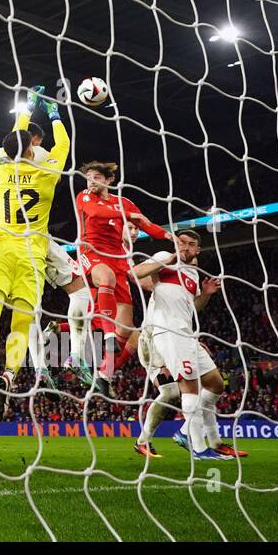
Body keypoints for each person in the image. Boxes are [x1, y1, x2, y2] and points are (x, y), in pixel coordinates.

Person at [0, 86, 69, 419]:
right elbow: (63, 145)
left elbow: (13, 138)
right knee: (21, 322)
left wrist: (27, 105)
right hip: (32, 255)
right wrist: (54, 113)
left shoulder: (1, 168)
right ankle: (9, 376)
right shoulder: (47, 173)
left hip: (0, 249)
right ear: (32, 145)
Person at [131, 231, 240, 460]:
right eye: (182, 243)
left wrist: (207, 293)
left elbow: (193, 309)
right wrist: (168, 259)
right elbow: (135, 274)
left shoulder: (192, 273)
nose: (186, 247)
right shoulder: (165, 257)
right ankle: (198, 447)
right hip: (161, 334)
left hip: (185, 334)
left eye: (191, 245)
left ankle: (199, 437)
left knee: (215, 383)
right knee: (183, 388)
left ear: (197, 250)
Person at [76, 160, 172, 396]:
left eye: (97, 177)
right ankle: (106, 334)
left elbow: (146, 224)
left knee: (127, 329)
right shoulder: (84, 197)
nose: (91, 182)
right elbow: (98, 212)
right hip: (91, 253)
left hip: (118, 260)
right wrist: (127, 214)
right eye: (88, 177)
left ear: (108, 180)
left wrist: (168, 236)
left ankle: (103, 374)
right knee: (105, 278)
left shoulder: (124, 203)